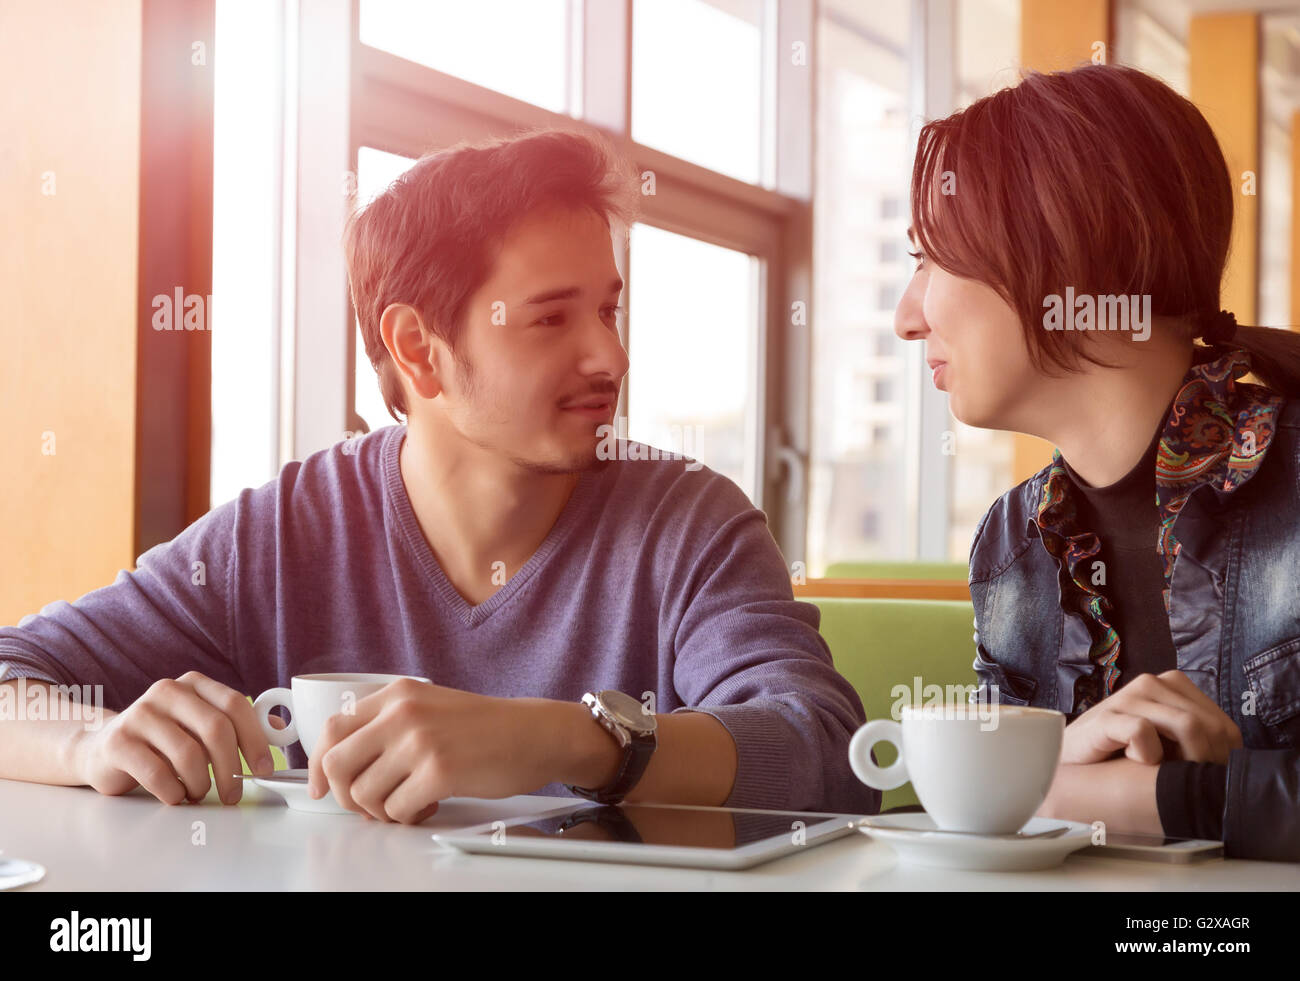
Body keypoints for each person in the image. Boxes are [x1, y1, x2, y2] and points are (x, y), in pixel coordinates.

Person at [0, 127, 876, 824]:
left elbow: (830, 752)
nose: (611, 354)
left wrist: (567, 739)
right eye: (549, 319)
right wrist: (93, 741)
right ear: (419, 350)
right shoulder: (281, 534)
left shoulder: (689, 523)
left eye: (607, 309)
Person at [894, 63, 1300, 862]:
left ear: (1062, 250)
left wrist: (1169, 797)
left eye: (931, 260)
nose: (909, 317)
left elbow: (1052, 806)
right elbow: (990, 822)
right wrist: (1051, 777)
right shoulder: (1011, 541)